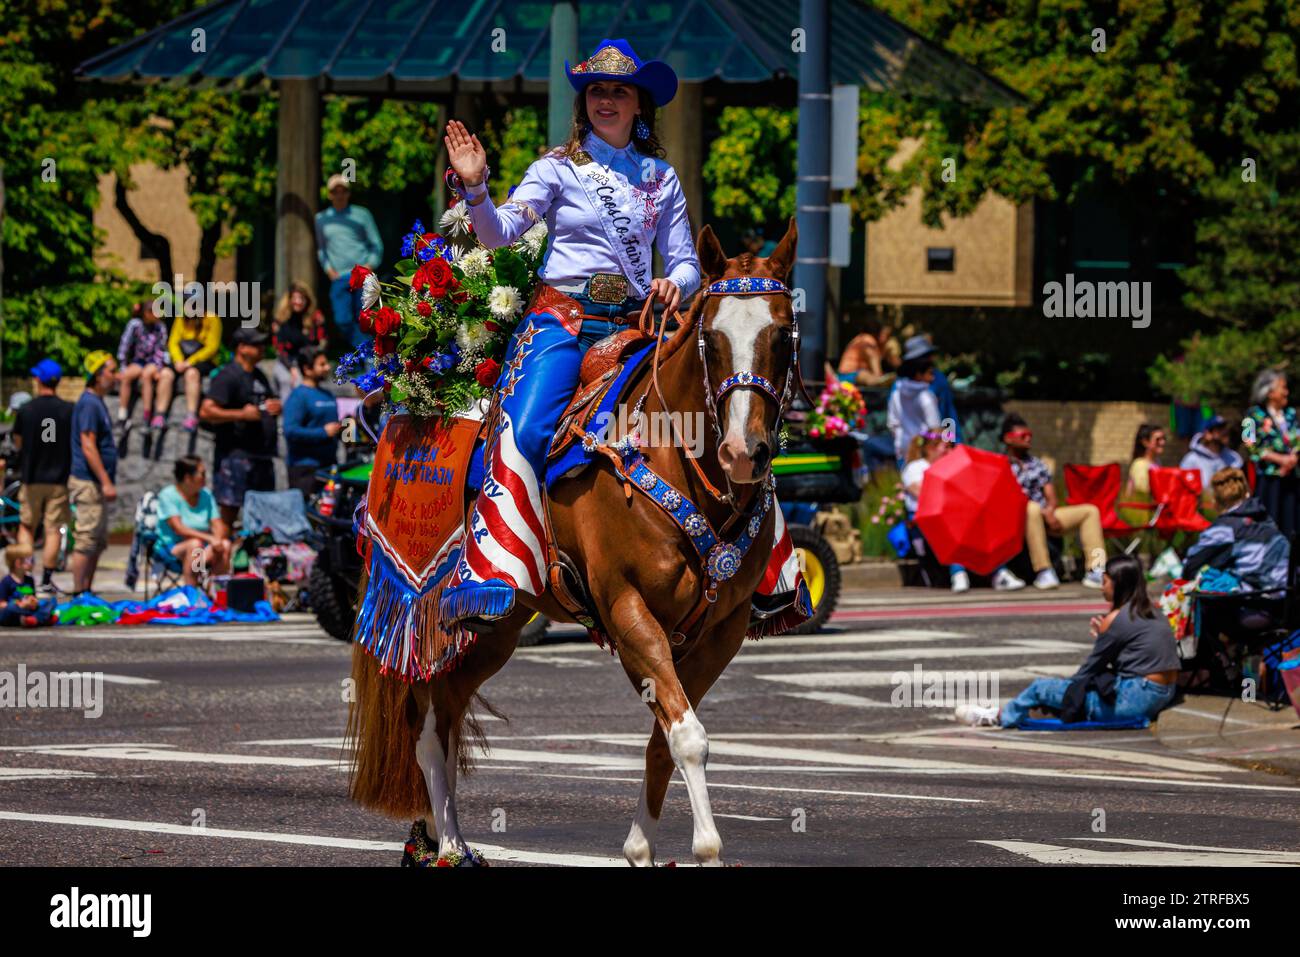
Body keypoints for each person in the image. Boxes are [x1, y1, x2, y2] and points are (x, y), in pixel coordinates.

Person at [436, 37, 807, 628]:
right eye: (597, 91)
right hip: (561, 324)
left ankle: (767, 574)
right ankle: (492, 571)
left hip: (636, 326)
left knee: (725, 414)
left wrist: (675, 286)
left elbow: (686, 262)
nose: (607, 99)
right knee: (527, 426)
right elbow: (499, 234)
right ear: (585, 104)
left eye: (620, 91)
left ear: (640, 105)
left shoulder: (660, 178)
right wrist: (477, 188)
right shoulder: (554, 169)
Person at [956, 554, 1179, 728]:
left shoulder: (1117, 619)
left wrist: (1066, 692)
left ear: (1118, 584)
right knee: (1078, 692)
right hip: (1163, 693)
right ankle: (1042, 709)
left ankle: (1000, 716)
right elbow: (1135, 657)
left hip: (1134, 698)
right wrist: (1106, 637)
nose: (1102, 587)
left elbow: (1089, 670)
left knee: (1041, 688)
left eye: (1105, 582)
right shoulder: (1151, 611)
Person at [901, 431, 1025, 593]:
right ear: (931, 448)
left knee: (980, 525)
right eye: (945, 447)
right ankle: (959, 573)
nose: (949, 451)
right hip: (925, 519)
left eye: (951, 447)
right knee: (953, 527)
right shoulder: (915, 468)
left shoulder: (952, 467)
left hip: (958, 514)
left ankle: (998, 572)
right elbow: (922, 494)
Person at [1002, 413, 1105, 590]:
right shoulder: (1001, 465)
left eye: (1030, 436)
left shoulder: (1037, 464)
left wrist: (1050, 510)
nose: (1028, 439)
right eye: (1022, 436)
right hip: (1020, 517)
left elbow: (1051, 495)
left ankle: (1096, 569)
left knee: (1090, 511)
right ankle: (1044, 570)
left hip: (1043, 514)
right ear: (1008, 439)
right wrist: (1041, 511)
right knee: (1032, 508)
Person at [200, 328, 281, 527]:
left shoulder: (259, 375)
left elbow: (265, 403)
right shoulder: (227, 375)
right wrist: (241, 414)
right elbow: (206, 412)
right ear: (241, 348)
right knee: (229, 511)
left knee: (264, 513)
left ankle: (256, 556)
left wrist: (275, 407)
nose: (263, 348)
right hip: (235, 455)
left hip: (261, 455)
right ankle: (222, 555)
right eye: (256, 345)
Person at [13, 359, 73, 596]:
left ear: (39, 380)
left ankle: (26, 576)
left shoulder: (27, 409)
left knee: (27, 526)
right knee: (52, 529)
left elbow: (18, 442)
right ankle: (47, 579)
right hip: (59, 479)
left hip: (32, 477)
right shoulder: (69, 409)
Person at [68, 351, 119, 595]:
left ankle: (87, 589)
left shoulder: (96, 402)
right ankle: (79, 592)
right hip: (88, 481)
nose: (116, 376)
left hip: (95, 482)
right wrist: (106, 481)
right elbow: (88, 445)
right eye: (111, 371)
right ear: (97, 376)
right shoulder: (89, 404)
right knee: (86, 538)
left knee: (98, 541)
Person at [315, 174, 382, 351]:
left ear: (348, 193)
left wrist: (369, 266)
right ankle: (367, 353)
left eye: (343, 190)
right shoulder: (321, 219)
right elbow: (321, 249)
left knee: (365, 319)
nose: (339, 195)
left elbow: (376, 245)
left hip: (362, 275)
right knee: (342, 320)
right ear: (329, 194)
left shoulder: (362, 214)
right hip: (339, 277)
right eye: (335, 191)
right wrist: (328, 269)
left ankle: (367, 361)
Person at [155, 456, 232, 589]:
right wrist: (209, 538)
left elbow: (217, 524)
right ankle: (193, 592)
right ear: (187, 477)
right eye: (202, 474)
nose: (205, 477)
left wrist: (217, 540)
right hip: (173, 548)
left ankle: (215, 591)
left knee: (225, 545)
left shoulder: (206, 495)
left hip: (203, 551)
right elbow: (179, 529)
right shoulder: (168, 495)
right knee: (195, 546)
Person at [1243, 369, 1300, 540]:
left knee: (1292, 524)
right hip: (1268, 479)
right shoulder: (1251, 415)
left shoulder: (1291, 414)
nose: (1286, 392)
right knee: (1270, 521)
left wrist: (1293, 459)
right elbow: (1249, 445)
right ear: (1269, 392)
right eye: (1283, 387)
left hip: (1292, 476)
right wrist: (1280, 459)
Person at [116, 300, 175, 455]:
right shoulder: (134, 325)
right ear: (146, 313)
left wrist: (158, 367)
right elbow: (124, 346)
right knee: (126, 376)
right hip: (138, 361)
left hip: (153, 363)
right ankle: (122, 417)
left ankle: (146, 418)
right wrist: (123, 366)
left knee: (147, 375)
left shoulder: (160, 327)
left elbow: (162, 349)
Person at [282, 347, 341, 498]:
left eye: (327, 363)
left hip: (329, 466)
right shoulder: (298, 396)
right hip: (305, 469)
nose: (327, 368)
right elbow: (290, 431)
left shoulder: (328, 394)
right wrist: (323, 432)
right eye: (322, 365)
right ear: (307, 369)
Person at [887, 335, 962, 452]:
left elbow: (948, 416)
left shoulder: (938, 380)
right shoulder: (899, 387)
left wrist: (951, 444)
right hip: (913, 449)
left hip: (931, 448)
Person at [168, 305, 223, 434]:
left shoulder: (212, 319)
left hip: (203, 360)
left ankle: (191, 415)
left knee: (191, 373)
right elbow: (173, 342)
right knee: (165, 373)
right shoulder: (181, 318)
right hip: (182, 359)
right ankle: (158, 415)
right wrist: (178, 360)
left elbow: (212, 347)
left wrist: (190, 362)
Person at [271, 281, 328, 401]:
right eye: (295, 298)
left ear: (307, 300)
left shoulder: (315, 318)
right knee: (290, 380)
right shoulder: (281, 320)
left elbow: (322, 343)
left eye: (302, 298)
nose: (298, 301)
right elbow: (280, 349)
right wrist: (292, 367)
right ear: (289, 299)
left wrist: (311, 366)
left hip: (310, 361)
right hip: (287, 362)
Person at [887, 353, 941, 466]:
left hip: (902, 451)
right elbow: (935, 430)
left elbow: (892, 424)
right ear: (918, 375)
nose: (933, 378)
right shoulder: (926, 397)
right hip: (923, 454)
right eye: (930, 373)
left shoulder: (896, 394)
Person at [1179, 415, 1243, 505]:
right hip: (1201, 509)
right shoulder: (1191, 460)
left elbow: (1240, 488)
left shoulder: (1234, 459)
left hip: (1229, 508)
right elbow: (1183, 490)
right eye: (1219, 429)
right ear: (1207, 434)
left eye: (1225, 428)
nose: (1225, 431)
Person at [1120, 422, 1166, 527]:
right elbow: (1143, 491)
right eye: (1158, 439)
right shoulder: (1140, 464)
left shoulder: (1157, 463)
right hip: (1141, 513)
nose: (1162, 442)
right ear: (1145, 442)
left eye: (1164, 439)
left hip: (1154, 511)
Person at [0, 544, 56, 627]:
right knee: (9, 608)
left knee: (50, 602)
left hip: (27, 610)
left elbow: (33, 597)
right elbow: (2, 604)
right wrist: (20, 604)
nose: (33, 562)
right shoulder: (6, 581)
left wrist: (33, 602)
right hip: (14, 611)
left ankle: (33, 619)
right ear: (18, 563)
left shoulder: (30, 580)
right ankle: (40, 619)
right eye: (30, 559)